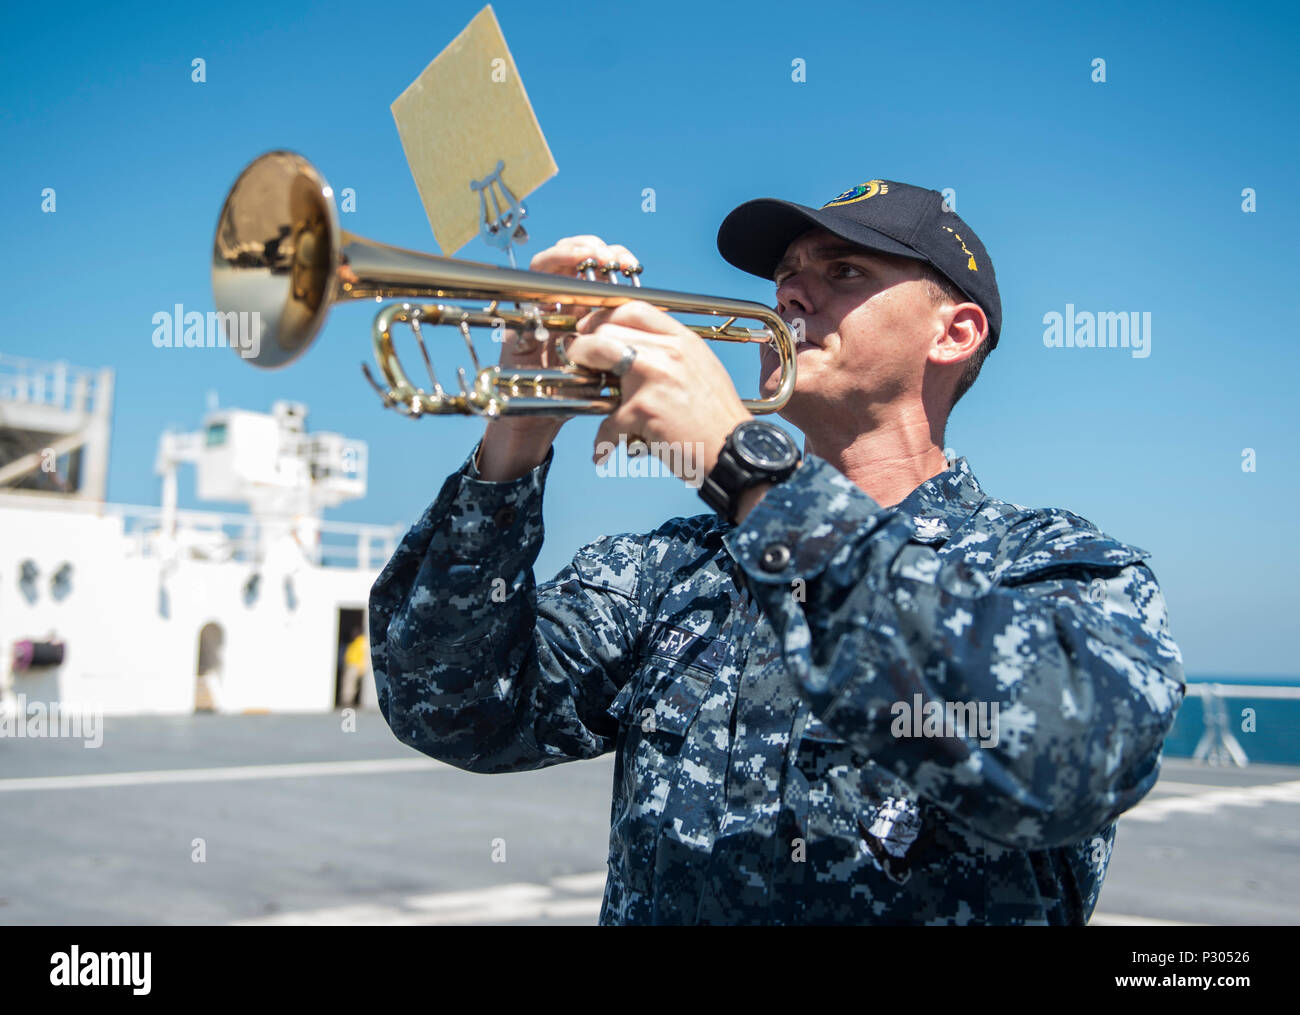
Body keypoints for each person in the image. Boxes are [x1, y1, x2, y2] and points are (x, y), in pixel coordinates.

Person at [368, 179, 1186, 924]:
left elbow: (1065, 757)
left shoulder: (1051, 564)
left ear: (955, 331)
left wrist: (741, 460)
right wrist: (515, 439)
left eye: (844, 272)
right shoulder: (671, 570)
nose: (793, 290)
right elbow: (454, 710)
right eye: (788, 273)